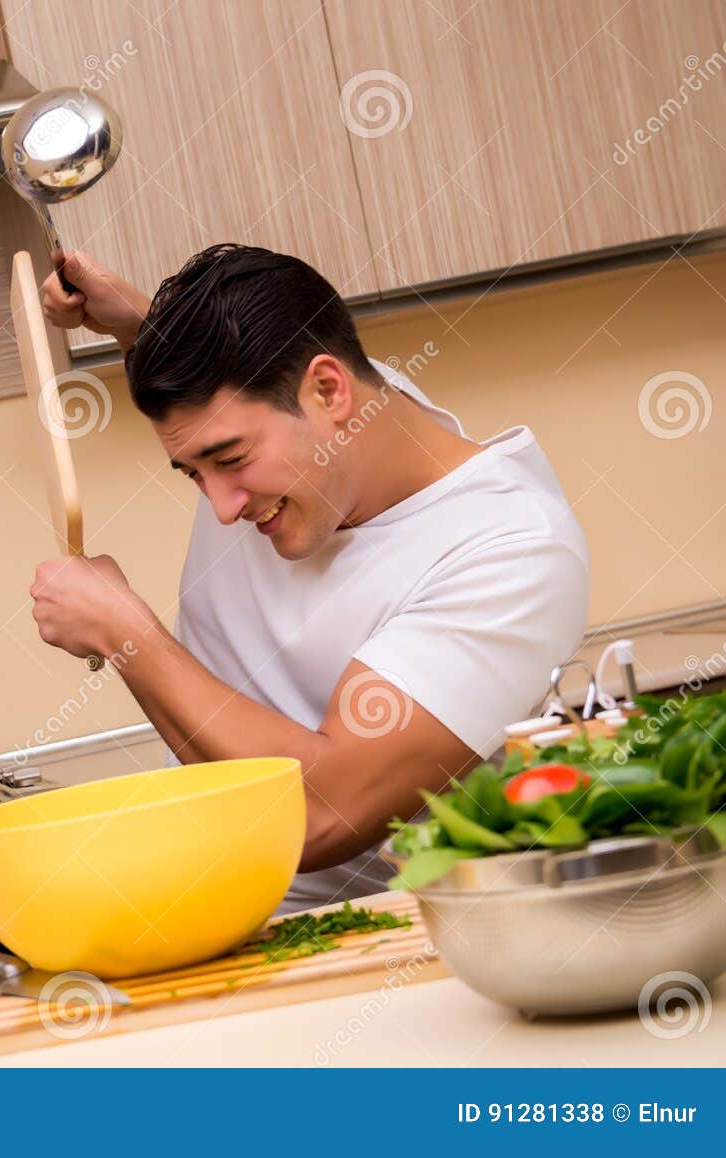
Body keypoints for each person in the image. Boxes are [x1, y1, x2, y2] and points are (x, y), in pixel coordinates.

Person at [31, 244, 590, 908]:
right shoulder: (330, 404)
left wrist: (124, 629)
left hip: (344, 940)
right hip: (203, 897)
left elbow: (325, 812)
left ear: (330, 392)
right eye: (193, 473)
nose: (222, 507)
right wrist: (141, 326)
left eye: (229, 459)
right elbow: (244, 376)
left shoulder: (512, 554)